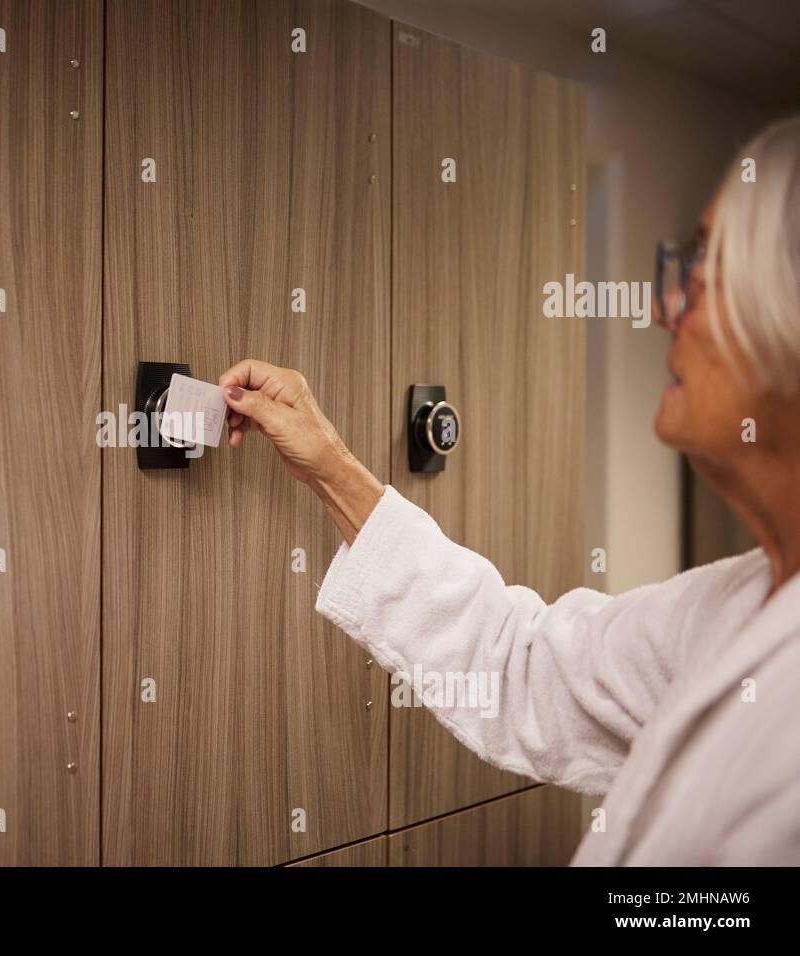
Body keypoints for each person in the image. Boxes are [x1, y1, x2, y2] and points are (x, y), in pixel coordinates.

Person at [217, 114, 800, 865]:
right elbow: (522, 664)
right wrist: (332, 467)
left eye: (707, 270)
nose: (663, 307)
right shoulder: (732, 609)